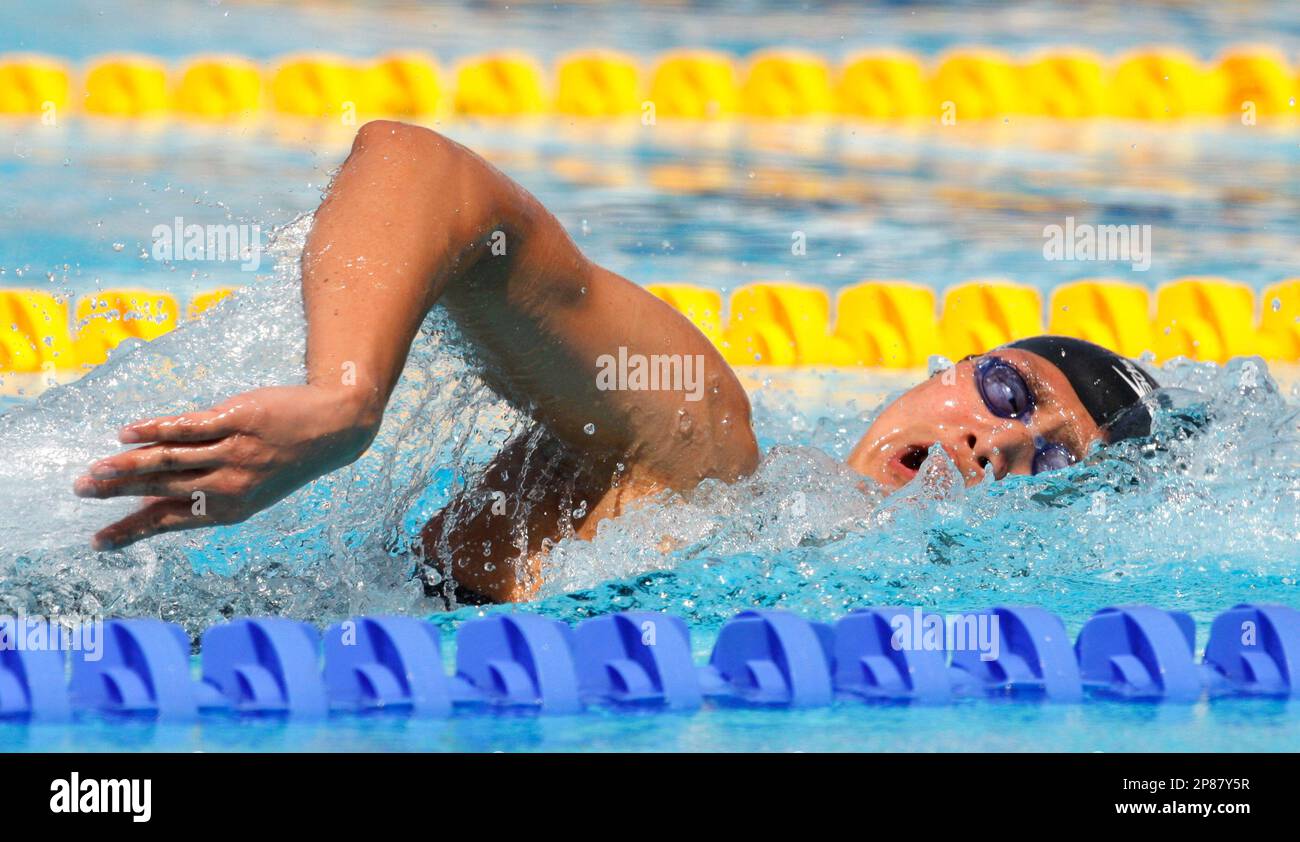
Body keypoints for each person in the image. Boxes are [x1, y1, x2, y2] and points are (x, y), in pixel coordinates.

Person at [73, 120, 1159, 603]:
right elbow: (422, 168)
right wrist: (346, 398)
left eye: (1050, 463)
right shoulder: (702, 441)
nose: (1000, 437)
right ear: (935, 372)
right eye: (1010, 390)